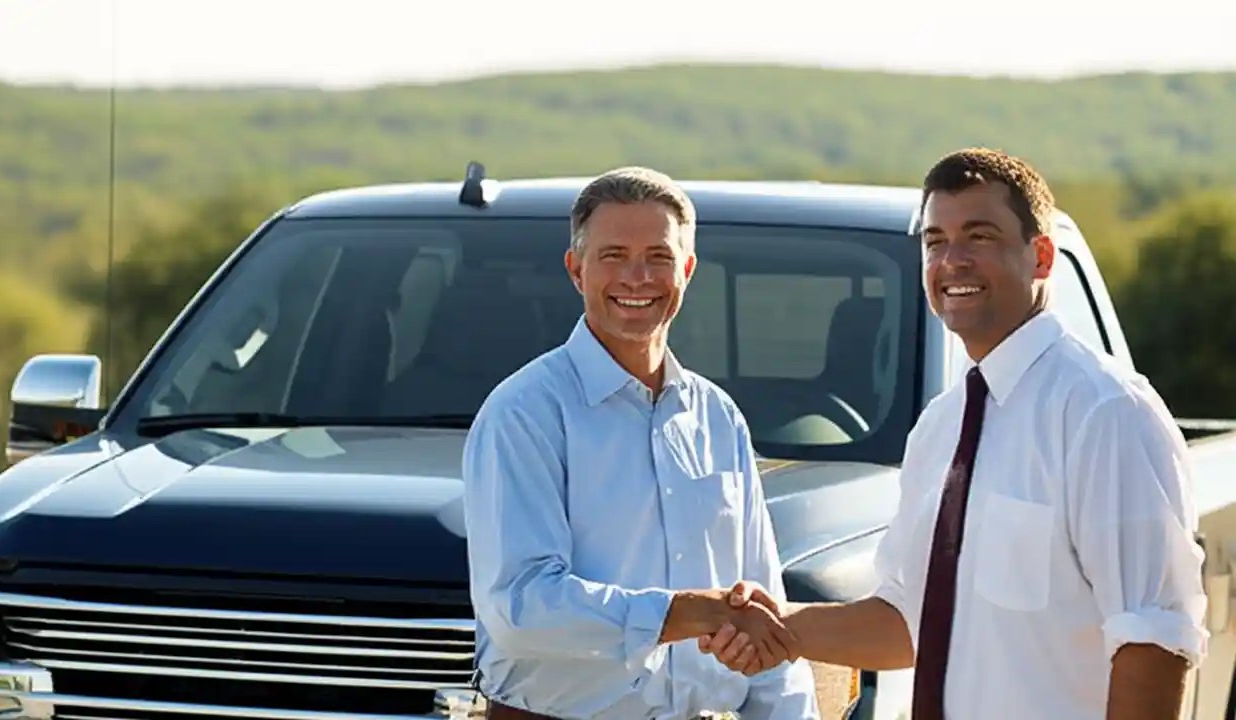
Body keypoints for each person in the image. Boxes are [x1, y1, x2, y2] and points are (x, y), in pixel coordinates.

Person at [697, 148, 1208, 719]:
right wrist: (777, 625)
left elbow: (1153, 637)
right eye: (935, 241)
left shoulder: (1105, 413)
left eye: (979, 237)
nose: (952, 260)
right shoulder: (940, 427)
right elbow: (904, 623)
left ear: (1041, 257)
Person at [462, 166, 820, 720]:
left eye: (658, 256)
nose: (637, 277)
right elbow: (520, 607)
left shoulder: (718, 418)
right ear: (575, 269)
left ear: (687, 270)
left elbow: (766, 618)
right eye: (614, 255)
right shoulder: (524, 414)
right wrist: (682, 613)